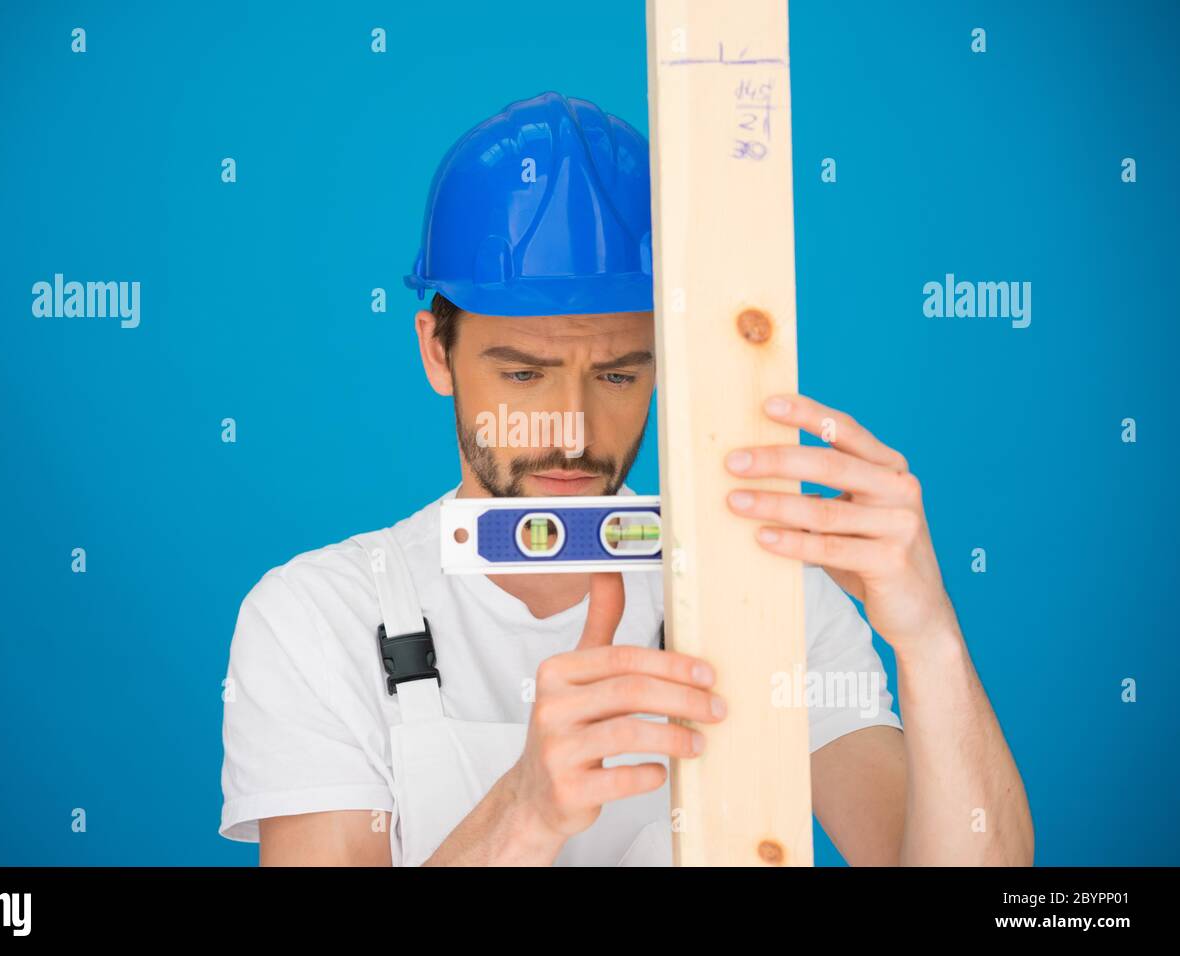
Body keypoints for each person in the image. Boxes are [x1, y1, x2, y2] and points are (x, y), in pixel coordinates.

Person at [218, 91, 1034, 866]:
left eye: (615, 375)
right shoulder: (318, 617)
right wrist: (523, 814)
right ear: (437, 350)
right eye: (525, 374)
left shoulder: (764, 591)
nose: (571, 429)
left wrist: (928, 634)